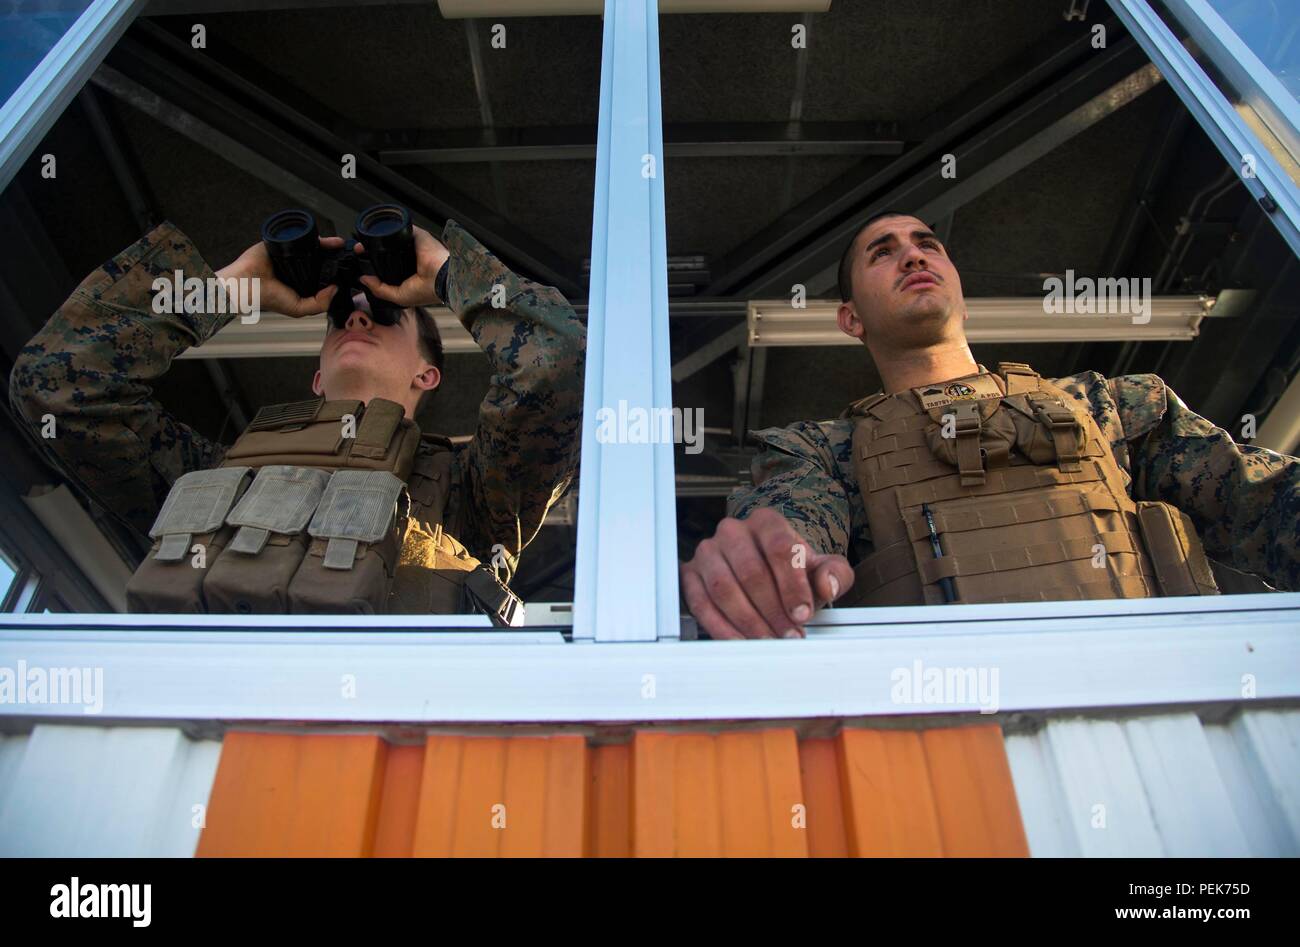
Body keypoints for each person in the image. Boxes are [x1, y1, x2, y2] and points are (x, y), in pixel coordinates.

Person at [681, 211, 1299, 640]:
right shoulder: (820, 452)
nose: (913, 254)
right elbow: (791, 527)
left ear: (959, 290)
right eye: (883, 252)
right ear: (849, 319)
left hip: (1168, 694)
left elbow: (1264, 502)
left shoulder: (1108, 405)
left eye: (926, 245)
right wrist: (768, 564)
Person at [9, 216, 585, 616]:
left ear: (427, 374)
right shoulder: (210, 478)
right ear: (316, 377)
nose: (357, 319)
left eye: (385, 314)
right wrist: (228, 290)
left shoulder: (475, 491)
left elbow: (558, 365)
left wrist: (444, 273)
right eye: (341, 317)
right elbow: (59, 386)